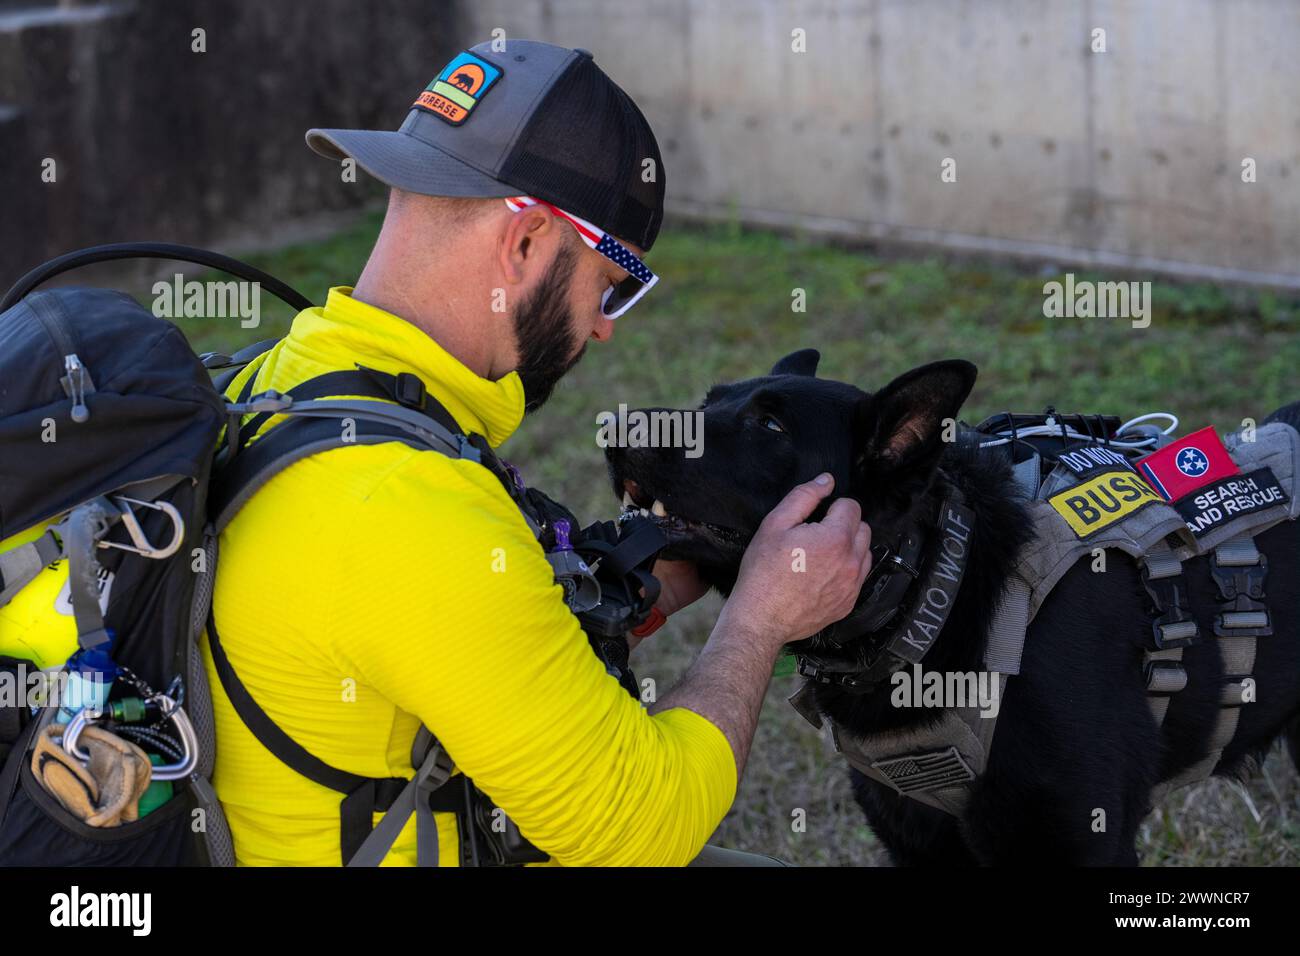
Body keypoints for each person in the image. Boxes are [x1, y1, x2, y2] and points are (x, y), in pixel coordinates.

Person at [205, 38, 873, 866]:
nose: (603, 323)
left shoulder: (276, 386)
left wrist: (650, 585)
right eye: (613, 279)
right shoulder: (409, 508)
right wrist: (760, 615)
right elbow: (643, 826)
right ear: (524, 246)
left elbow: (461, 645)